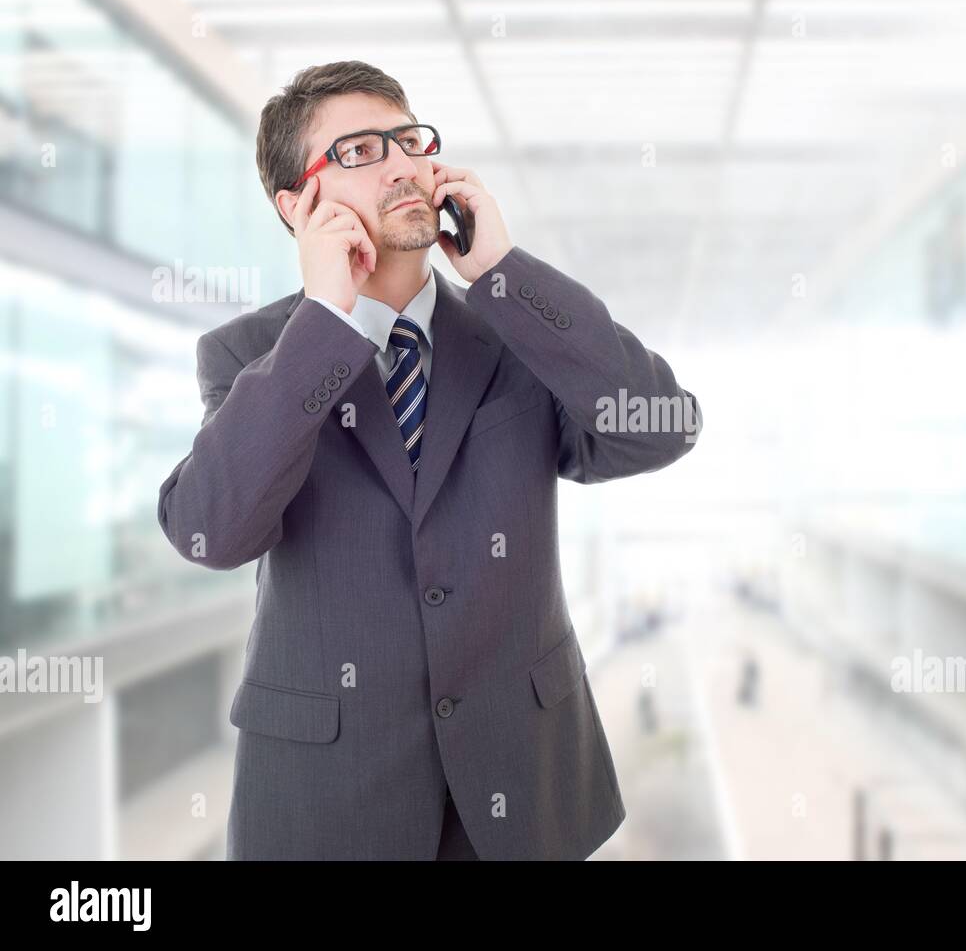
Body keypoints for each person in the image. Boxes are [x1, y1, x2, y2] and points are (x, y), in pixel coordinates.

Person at [157, 60, 702, 860]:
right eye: (360, 152)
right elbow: (211, 530)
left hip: (522, 793)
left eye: (408, 139)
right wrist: (325, 325)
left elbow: (661, 427)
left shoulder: (516, 334)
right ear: (297, 206)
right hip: (329, 806)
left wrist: (504, 277)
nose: (404, 164)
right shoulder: (251, 356)